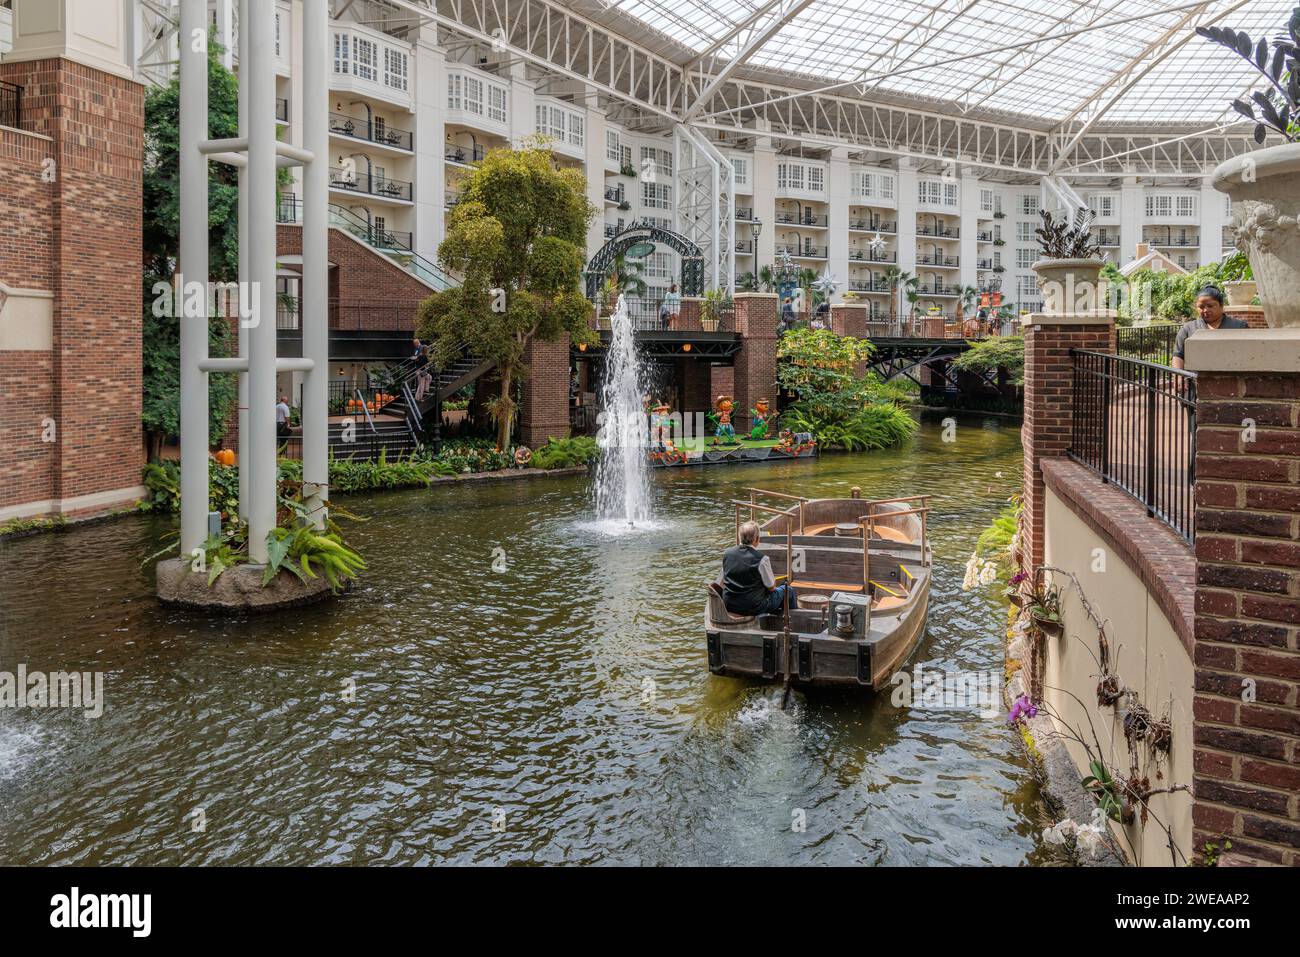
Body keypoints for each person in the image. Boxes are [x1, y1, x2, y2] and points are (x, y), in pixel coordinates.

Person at [715, 521, 796, 617]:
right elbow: (771, 587)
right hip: (754, 607)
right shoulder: (762, 559)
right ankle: (792, 621)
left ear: (740, 537)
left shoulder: (727, 554)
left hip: (729, 604)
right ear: (757, 539)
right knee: (788, 591)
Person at [1171, 286, 1248, 371]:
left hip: (1232, 380)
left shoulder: (1239, 327)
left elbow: (1247, 355)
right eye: (1201, 307)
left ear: (1221, 306)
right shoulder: (1188, 329)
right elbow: (1178, 355)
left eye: (1210, 306)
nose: (1205, 310)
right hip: (1195, 381)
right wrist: (1178, 377)